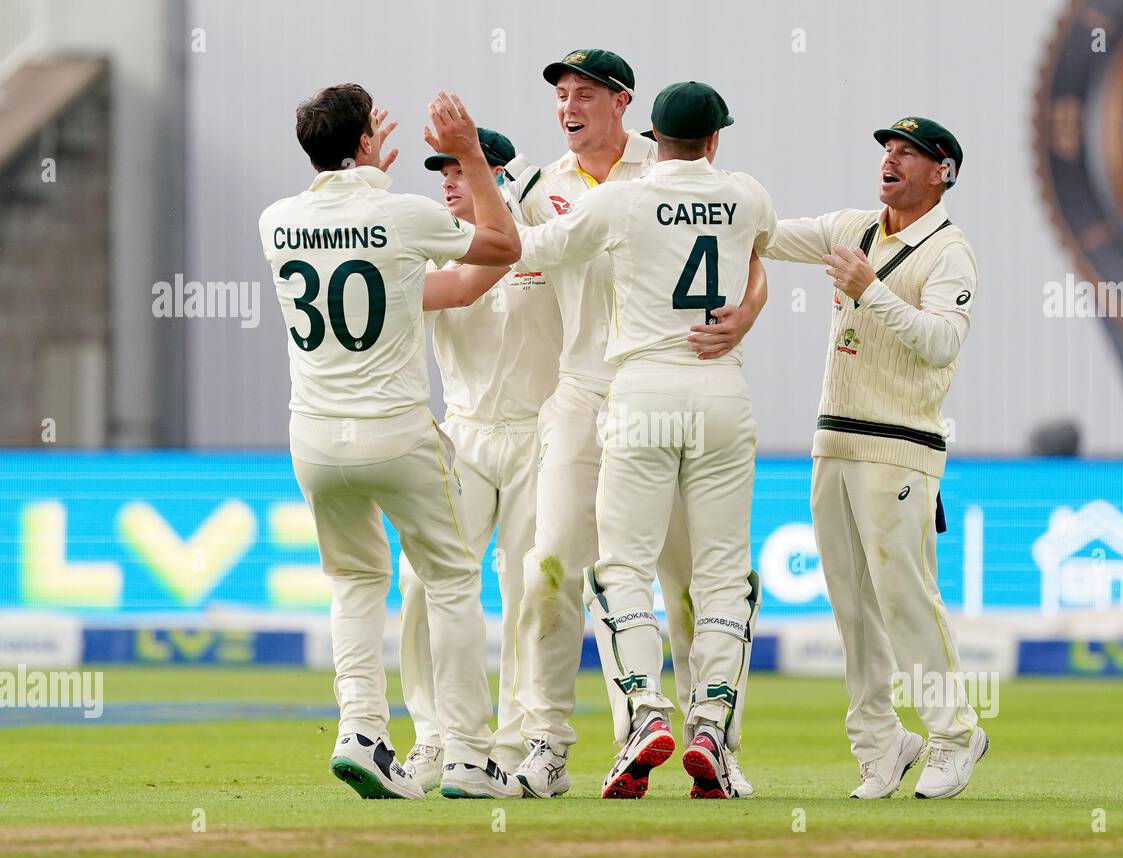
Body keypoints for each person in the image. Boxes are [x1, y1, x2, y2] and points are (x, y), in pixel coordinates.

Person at [258, 85, 519, 799]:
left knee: (353, 582)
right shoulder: (405, 214)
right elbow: (504, 246)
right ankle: (467, 755)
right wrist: (467, 154)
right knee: (452, 579)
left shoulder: (276, 220)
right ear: (368, 142)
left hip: (313, 439)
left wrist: (367, 176)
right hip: (395, 433)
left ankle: (362, 733)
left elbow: (379, 265)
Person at [516, 80, 775, 799]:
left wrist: (480, 185)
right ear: (715, 140)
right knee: (722, 578)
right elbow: (760, 255)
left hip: (641, 392)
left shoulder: (620, 201)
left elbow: (528, 246)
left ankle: (644, 716)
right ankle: (711, 731)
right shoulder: (746, 194)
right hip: (722, 392)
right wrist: (746, 310)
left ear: (651, 137)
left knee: (621, 567)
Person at [762, 116, 987, 799]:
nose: (891, 159)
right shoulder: (854, 226)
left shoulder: (950, 252)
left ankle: (954, 734)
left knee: (904, 598)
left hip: (901, 447)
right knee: (852, 607)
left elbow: (942, 343)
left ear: (941, 172)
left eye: (908, 153)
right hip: (834, 440)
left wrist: (870, 290)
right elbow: (766, 233)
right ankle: (881, 743)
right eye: (888, 149)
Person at [396, 127, 563, 796]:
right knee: (422, 585)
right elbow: (439, 294)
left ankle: (517, 744)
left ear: (497, 176)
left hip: (537, 431)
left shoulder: (544, 240)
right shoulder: (431, 248)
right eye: (443, 171)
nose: (448, 181)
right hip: (463, 435)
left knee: (532, 590)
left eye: (463, 170)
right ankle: (436, 737)